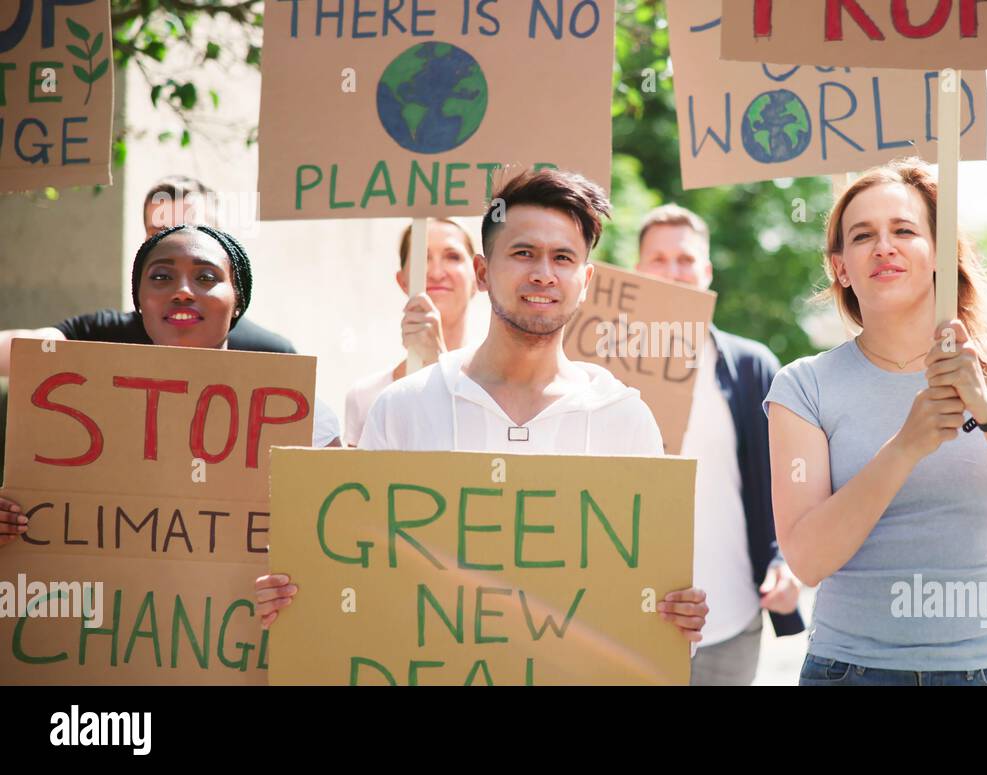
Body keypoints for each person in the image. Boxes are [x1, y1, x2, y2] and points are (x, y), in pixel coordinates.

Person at [254, 169, 709, 648]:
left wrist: (678, 616)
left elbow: (651, 603)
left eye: (563, 258)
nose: (543, 273)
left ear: (586, 279)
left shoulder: (623, 418)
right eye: (523, 253)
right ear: (483, 271)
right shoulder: (402, 408)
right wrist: (299, 597)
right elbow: (356, 578)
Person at [765, 159, 987, 686]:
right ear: (841, 268)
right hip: (850, 672)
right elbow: (806, 560)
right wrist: (903, 448)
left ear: (939, 253)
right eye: (863, 235)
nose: (884, 246)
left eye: (904, 230)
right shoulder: (804, 387)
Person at [1, 224, 338, 548]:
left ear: (238, 300)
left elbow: (334, 531)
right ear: (139, 300)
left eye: (206, 277)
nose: (181, 292)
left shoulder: (298, 413)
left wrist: (290, 586)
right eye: (161, 277)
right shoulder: (68, 402)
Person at [633, 204, 803, 685]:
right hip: (627, 617)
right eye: (659, 259)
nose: (673, 271)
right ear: (637, 272)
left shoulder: (753, 367)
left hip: (730, 619)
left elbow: (785, 484)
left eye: (685, 260)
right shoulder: (598, 371)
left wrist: (784, 562)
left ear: (706, 273)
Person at [0, 176, 294, 377]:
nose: (179, 243)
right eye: (161, 233)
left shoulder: (272, 355)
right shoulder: (102, 337)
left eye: (194, 230)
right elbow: (25, 349)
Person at [343, 219, 478, 446]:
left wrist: (438, 363)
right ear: (402, 281)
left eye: (452, 256)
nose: (436, 272)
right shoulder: (366, 396)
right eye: (422, 258)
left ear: (478, 278)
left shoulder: (501, 391)